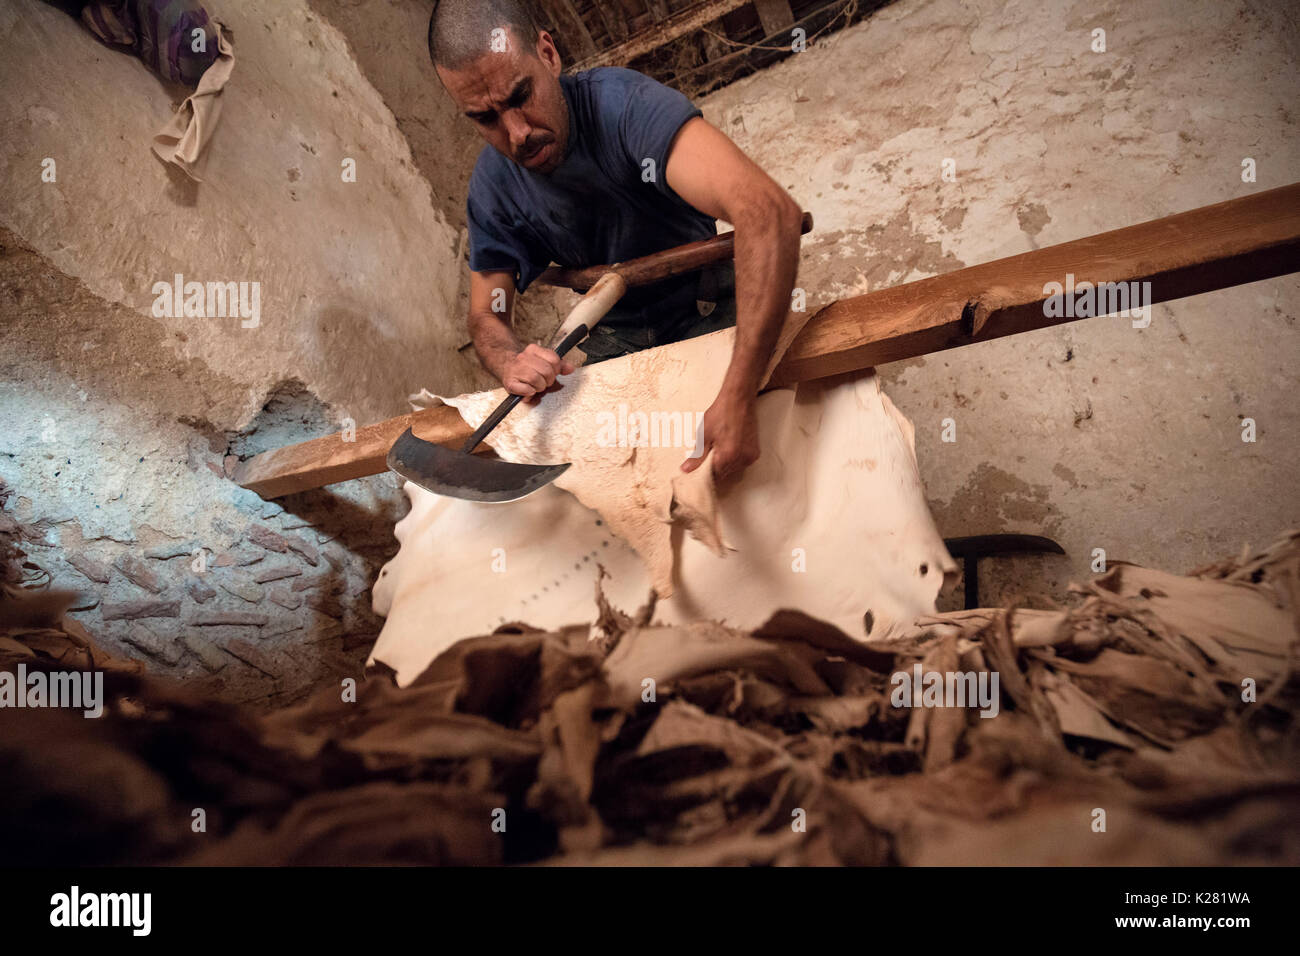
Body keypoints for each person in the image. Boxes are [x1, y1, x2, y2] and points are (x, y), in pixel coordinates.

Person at [429, 0, 803, 481]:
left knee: (768, 465)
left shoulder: (625, 107)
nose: (516, 133)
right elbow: (486, 313)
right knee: (621, 486)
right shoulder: (494, 187)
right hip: (615, 340)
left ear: (548, 53)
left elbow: (768, 212)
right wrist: (508, 358)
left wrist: (739, 391)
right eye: (485, 118)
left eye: (521, 95)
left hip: (712, 307)